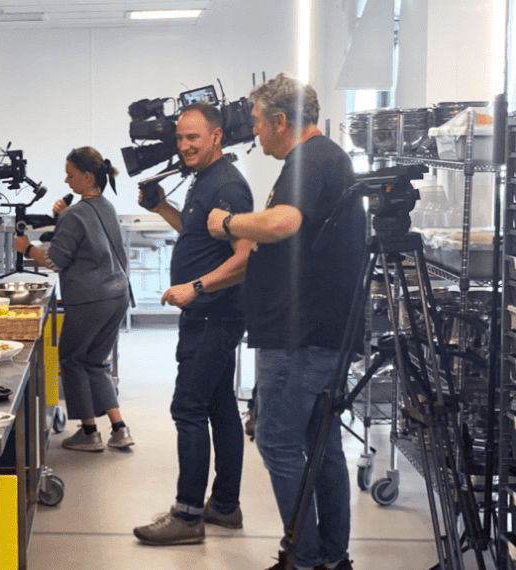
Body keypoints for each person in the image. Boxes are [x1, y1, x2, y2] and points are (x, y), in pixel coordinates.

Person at [207, 73, 363, 570]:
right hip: (321, 332)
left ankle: (305, 556)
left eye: (257, 123)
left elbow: (283, 222)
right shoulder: (328, 159)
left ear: (280, 121)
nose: (253, 133)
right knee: (322, 445)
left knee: (277, 440)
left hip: (301, 337)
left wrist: (227, 223)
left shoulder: (308, 160)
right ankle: (331, 558)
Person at [132, 104, 255, 545]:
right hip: (210, 314)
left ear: (217, 136)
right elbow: (198, 232)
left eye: (193, 138)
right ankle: (224, 506)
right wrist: (161, 206)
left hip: (212, 314)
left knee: (187, 408)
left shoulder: (228, 186)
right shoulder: (205, 179)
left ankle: (187, 516)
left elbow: (245, 257)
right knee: (220, 408)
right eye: (180, 138)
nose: (184, 146)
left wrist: (196, 287)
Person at [13, 147, 133, 451]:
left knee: (72, 359)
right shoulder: (105, 207)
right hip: (117, 295)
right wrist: (59, 217)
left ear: (87, 176)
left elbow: (56, 261)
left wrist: (26, 248)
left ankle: (89, 432)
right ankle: (119, 428)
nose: (66, 182)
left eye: (70, 175)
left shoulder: (76, 213)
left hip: (90, 299)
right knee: (95, 361)